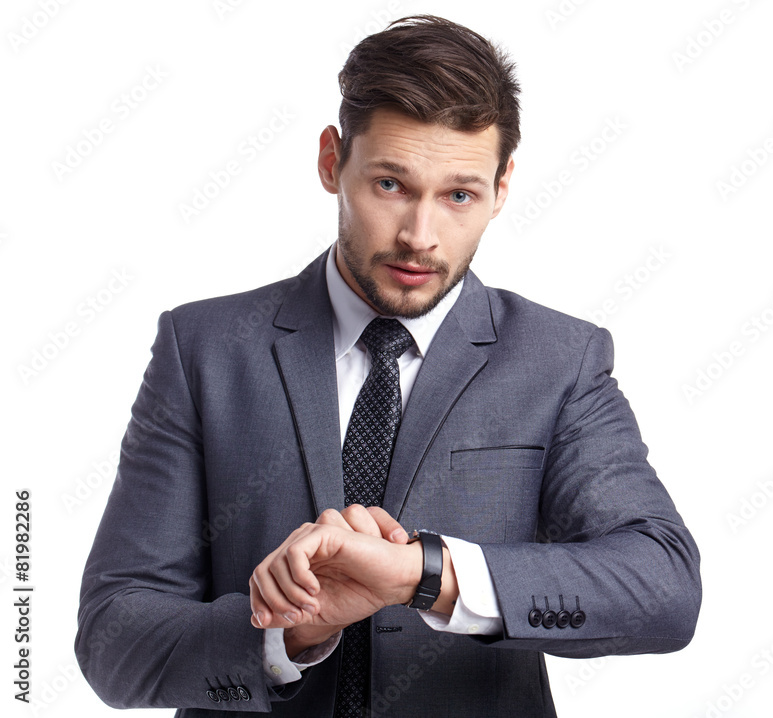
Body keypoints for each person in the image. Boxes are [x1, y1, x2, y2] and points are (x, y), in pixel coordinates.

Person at [76, 15, 701, 718]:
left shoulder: (561, 360)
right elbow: (113, 642)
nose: (420, 236)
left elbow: (664, 588)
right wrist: (293, 629)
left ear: (501, 189)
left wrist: (424, 574)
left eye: (459, 195)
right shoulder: (205, 348)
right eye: (392, 186)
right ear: (331, 162)